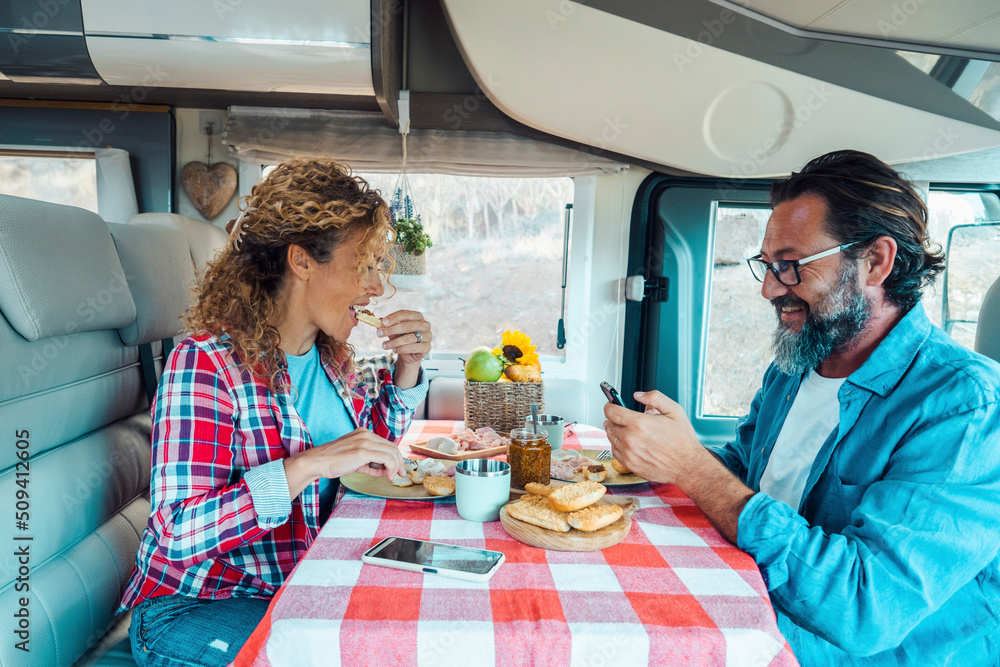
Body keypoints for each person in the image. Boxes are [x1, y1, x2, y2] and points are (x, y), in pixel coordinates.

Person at [604, 150, 1000, 664]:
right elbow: (747, 475)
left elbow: (864, 609)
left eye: (790, 266)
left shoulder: (965, 407)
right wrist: (663, 456)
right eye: (766, 267)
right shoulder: (796, 365)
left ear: (875, 261)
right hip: (761, 611)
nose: (770, 288)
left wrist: (692, 467)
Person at [118, 157, 431, 666]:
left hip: (299, 580)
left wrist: (407, 370)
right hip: (199, 606)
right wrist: (307, 465)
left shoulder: (331, 357)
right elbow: (176, 531)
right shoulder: (205, 364)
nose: (377, 287)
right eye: (364, 265)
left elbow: (369, 452)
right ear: (302, 261)